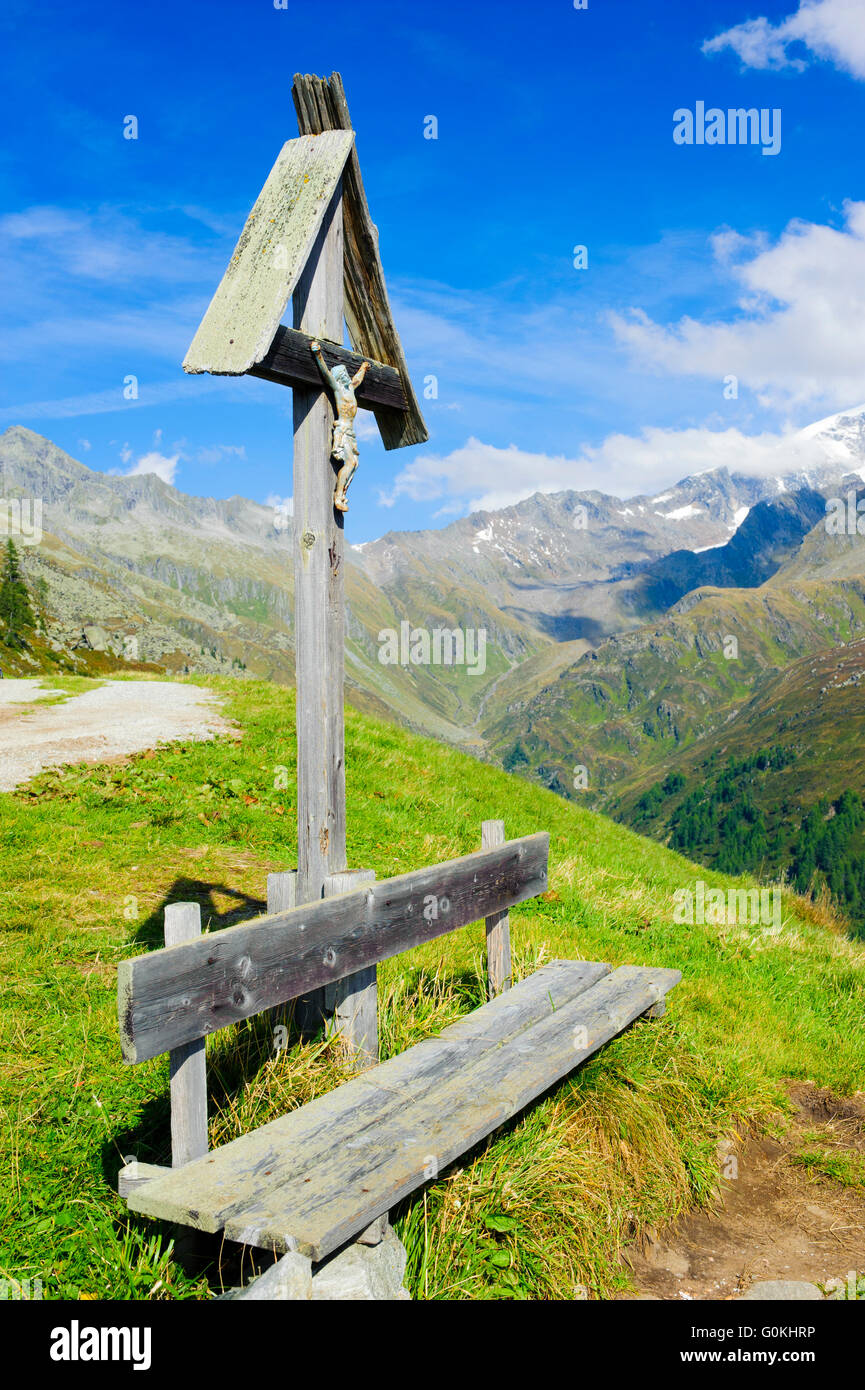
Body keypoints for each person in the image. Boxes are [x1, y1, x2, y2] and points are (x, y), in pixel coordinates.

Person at [310, 340, 370, 512]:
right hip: (342, 429)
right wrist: (318, 354)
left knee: (354, 464)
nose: (344, 374)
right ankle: (338, 496)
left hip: (350, 431)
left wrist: (363, 368)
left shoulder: (350, 388)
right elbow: (325, 372)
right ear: (337, 377)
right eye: (340, 373)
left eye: (344, 372)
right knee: (350, 463)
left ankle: (342, 495)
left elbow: (357, 379)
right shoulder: (337, 388)